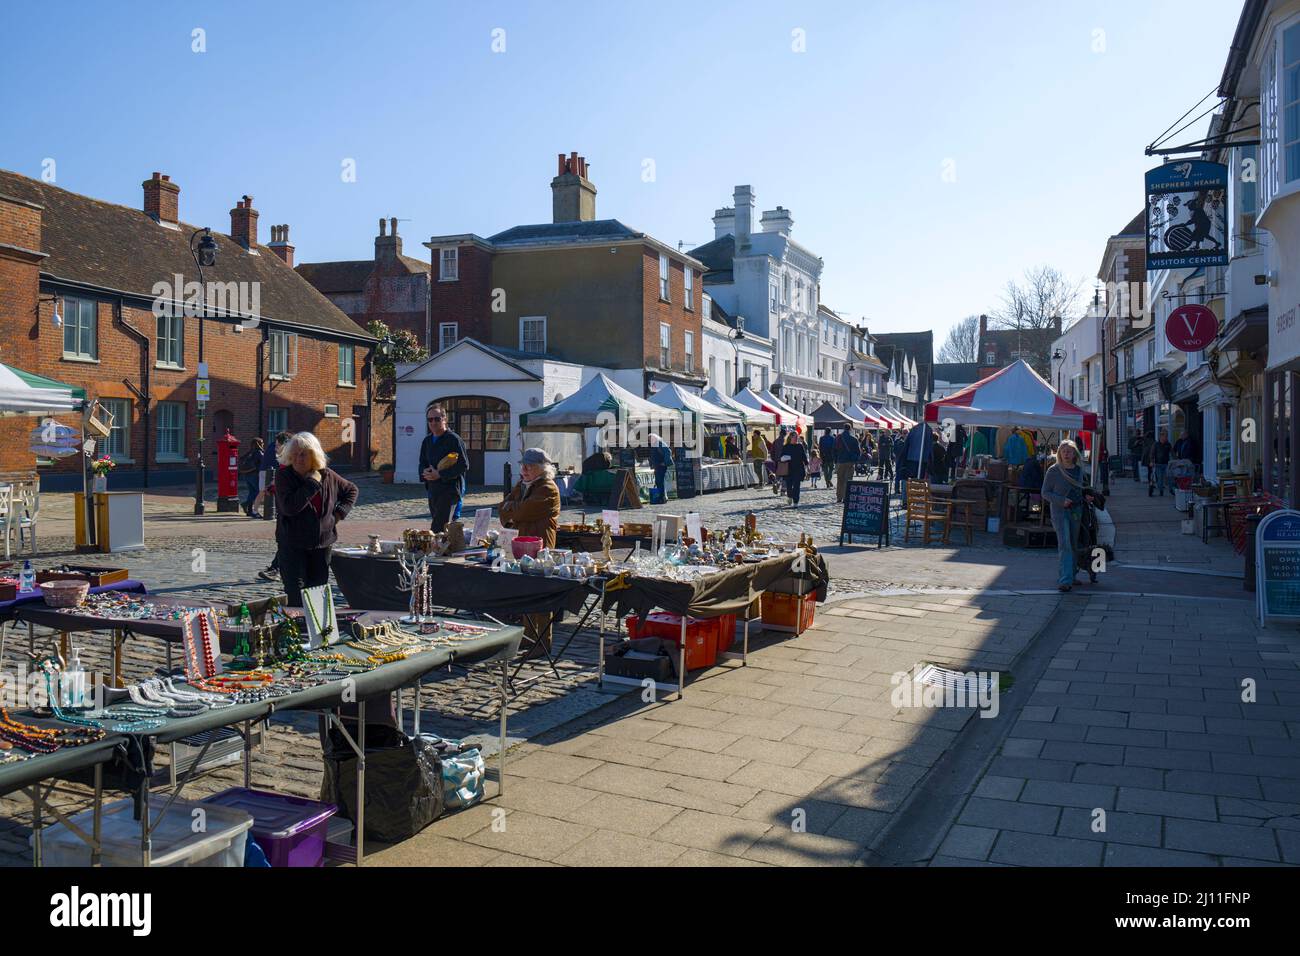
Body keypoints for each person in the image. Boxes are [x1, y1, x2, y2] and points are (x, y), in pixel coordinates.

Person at [274, 432, 358, 607]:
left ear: (314, 455)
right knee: (295, 594)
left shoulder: (327, 475)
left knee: (317, 593)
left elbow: (351, 490)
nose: (298, 459)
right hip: (292, 543)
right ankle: (297, 630)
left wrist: (338, 515)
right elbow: (290, 507)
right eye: (294, 454)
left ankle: (318, 632)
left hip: (321, 544)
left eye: (303, 454)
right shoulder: (284, 476)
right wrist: (311, 484)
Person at [498, 448, 562, 656]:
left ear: (541, 469)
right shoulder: (523, 485)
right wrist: (513, 509)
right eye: (523, 465)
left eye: (529, 466)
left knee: (541, 592)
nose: (524, 469)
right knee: (526, 589)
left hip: (541, 544)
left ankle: (543, 642)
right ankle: (528, 637)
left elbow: (523, 511)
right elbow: (503, 509)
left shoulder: (547, 488)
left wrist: (513, 509)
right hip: (523, 542)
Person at [1042, 438, 1086, 592]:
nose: (1066, 454)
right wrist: (1061, 500)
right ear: (1059, 453)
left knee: (1073, 544)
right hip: (1060, 512)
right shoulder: (1053, 470)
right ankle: (1065, 580)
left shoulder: (1079, 470)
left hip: (1076, 511)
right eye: (1064, 451)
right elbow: (1045, 493)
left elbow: (1080, 489)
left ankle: (1072, 575)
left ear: (1075, 453)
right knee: (1065, 544)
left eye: (1070, 451)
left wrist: (1086, 496)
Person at [419, 404, 469, 532]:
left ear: (444, 419)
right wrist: (424, 472)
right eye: (430, 420)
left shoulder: (454, 439)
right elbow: (422, 463)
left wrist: (440, 474)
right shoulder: (427, 441)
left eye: (437, 419)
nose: (433, 422)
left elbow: (463, 465)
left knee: (439, 527)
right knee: (445, 528)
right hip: (433, 489)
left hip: (450, 490)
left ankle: (437, 551)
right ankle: (452, 549)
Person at [780, 429, 809, 506]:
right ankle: (789, 496)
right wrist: (788, 457)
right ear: (790, 437)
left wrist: (807, 465)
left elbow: (804, 456)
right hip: (788, 470)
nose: (796, 438)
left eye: (797, 437)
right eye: (794, 437)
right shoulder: (786, 446)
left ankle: (796, 502)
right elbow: (781, 457)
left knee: (797, 486)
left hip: (798, 469)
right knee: (789, 487)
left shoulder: (799, 446)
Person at [833, 425, 861, 503]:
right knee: (848, 480)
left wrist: (836, 460)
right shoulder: (854, 439)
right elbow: (858, 452)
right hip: (850, 462)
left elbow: (834, 450)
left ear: (843, 428)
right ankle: (846, 497)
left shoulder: (838, 438)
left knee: (840, 480)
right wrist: (855, 460)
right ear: (850, 429)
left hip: (840, 461)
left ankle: (839, 497)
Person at [239, 437, 264, 517]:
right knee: (258, 492)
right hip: (254, 475)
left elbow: (241, 459)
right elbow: (264, 462)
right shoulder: (259, 452)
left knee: (251, 492)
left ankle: (249, 511)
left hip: (246, 475)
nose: (263, 444)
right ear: (259, 444)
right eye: (262, 442)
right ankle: (245, 503)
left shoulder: (249, 452)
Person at [649, 434, 673, 504]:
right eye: (649, 439)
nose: (649, 440)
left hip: (661, 466)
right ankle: (661, 497)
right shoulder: (654, 445)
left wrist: (665, 462)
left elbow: (668, 452)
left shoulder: (660, 443)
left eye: (650, 439)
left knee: (660, 482)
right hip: (657, 466)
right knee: (658, 482)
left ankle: (662, 498)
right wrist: (653, 465)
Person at [1150, 429, 1173, 497]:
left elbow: (1172, 453)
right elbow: (1152, 454)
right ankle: (1161, 490)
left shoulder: (1168, 444)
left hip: (1166, 464)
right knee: (1160, 478)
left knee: (1169, 477)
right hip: (1158, 464)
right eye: (1164, 436)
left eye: (1166, 436)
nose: (1166, 438)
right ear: (1161, 437)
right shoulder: (1156, 444)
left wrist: (1176, 460)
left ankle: (1171, 489)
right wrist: (1151, 461)